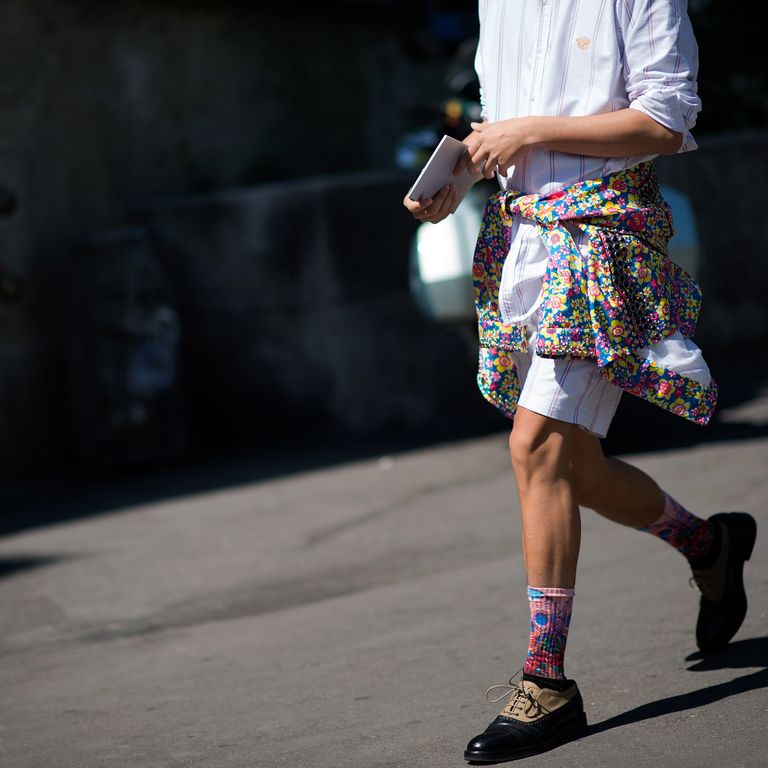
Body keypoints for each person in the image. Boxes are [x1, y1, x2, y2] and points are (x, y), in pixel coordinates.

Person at [403, 0, 756, 762]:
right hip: (524, 244)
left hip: (602, 241)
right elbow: (509, 122)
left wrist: (527, 132)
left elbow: (666, 122)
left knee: (537, 451)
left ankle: (547, 681)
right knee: (574, 467)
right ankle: (709, 545)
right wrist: (462, 170)